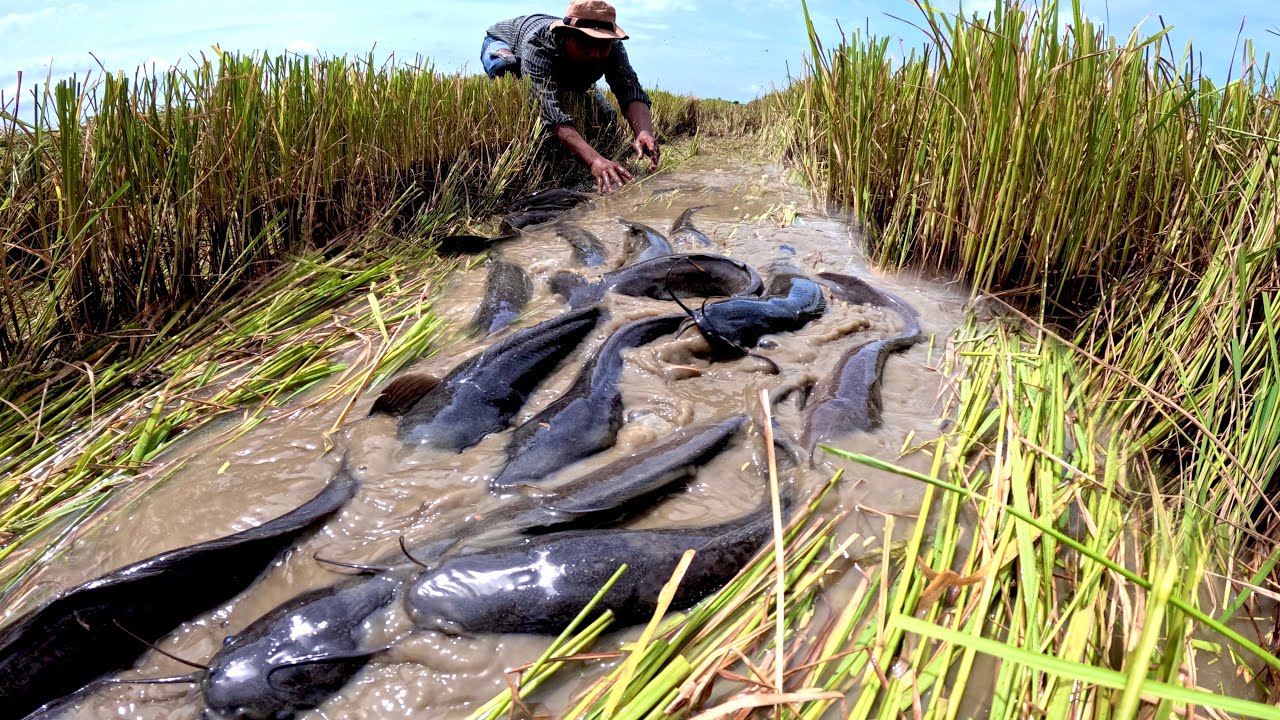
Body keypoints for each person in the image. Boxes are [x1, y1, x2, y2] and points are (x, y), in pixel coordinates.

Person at [481, 1, 661, 193]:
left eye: (603, 45)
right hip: (504, 41)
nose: (595, 54)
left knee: (607, 116)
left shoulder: (614, 46)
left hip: (567, 67)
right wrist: (595, 161)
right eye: (587, 44)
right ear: (567, 35)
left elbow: (629, 88)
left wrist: (644, 132)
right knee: (506, 68)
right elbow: (549, 113)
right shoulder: (538, 45)